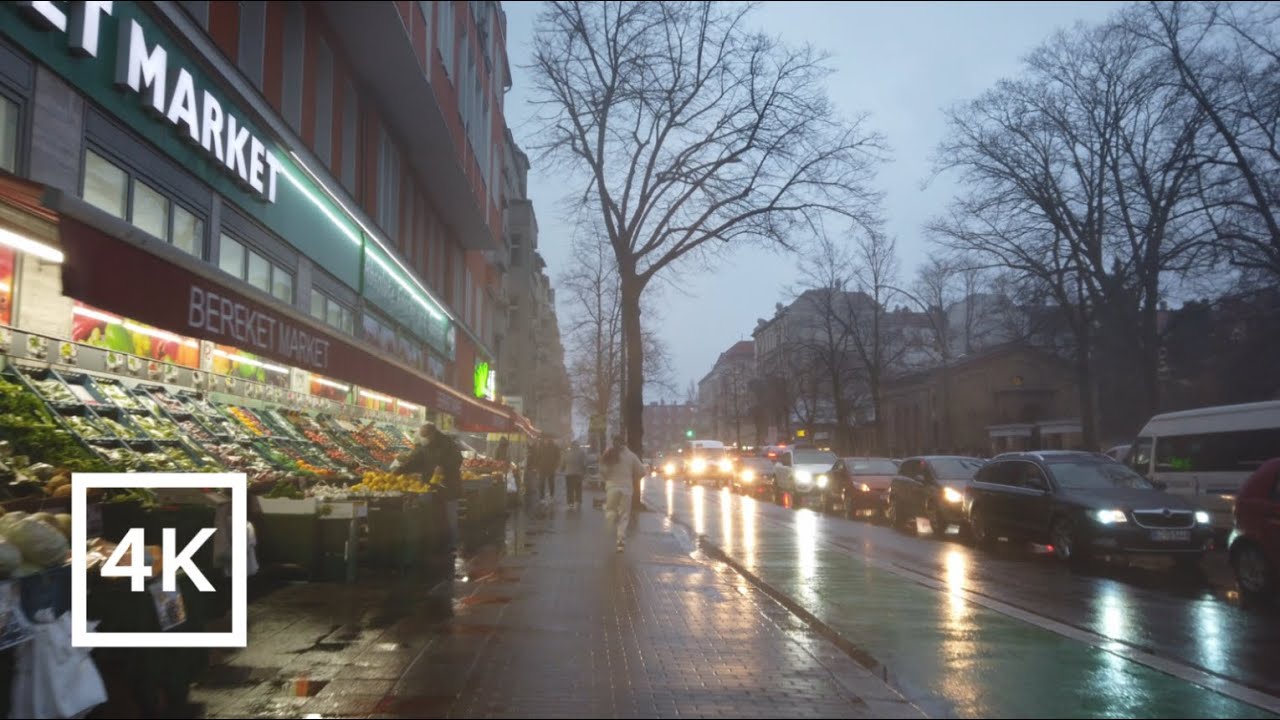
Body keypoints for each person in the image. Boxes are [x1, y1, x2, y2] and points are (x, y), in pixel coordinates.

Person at [399, 422, 464, 552]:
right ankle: (436, 543)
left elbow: (458, 459)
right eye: (421, 436)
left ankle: (452, 544)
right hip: (430, 486)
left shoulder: (447, 443)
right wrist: (398, 471)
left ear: (433, 434)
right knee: (434, 515)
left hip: (448, 485)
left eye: (425, 436)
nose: (423, 439)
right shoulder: (424, 446)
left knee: (450, 515)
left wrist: (444, 466)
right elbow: (414, 461)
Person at [601, 434, 645, 552]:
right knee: (624, 515)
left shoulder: (608, 454)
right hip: (626, 489)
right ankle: (620, 539)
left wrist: (606, 479)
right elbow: (642, 471)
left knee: (610, 509)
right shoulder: (631, 456)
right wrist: (633, 477)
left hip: (612, 488)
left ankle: (611, 521)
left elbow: (603, 471)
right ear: (624, 443)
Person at [563, 443, 588, 510]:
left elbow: (564, 462)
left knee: (569, 489)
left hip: (569, 474)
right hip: (578, 474)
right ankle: (578, 501)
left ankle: (570, 503)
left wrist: (563, 468)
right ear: (577, 446)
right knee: (578, 488)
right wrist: (584, 472)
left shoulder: (567, 452)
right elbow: (584, 463)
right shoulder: (581, 452)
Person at [538, 437, 562, 505]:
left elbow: (558, 457)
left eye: (547, 439)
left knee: (550, 482)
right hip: (542, 467)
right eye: (545, 439)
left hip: (550, 467)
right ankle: (542, 497)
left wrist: (555, 465)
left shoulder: (554, 447)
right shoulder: (541, 446)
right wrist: (538, 465)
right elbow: (538, 456)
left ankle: (551, 496)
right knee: (542, 483)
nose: (546, 440)